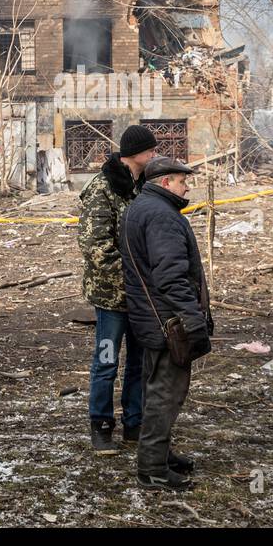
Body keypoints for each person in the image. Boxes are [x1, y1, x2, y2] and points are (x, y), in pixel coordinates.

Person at [120, 157, 213, 491]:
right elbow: (171, 277)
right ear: (164, 183)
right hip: (168, 322)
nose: (187, 186)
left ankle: (159, 453)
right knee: (166, 394)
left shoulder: (140, 207)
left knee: (155, 388)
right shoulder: (161, 216)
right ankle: (153, 470)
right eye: (181, 181)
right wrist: (192, 319)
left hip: (149, 318)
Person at [78, 125, 157, 454]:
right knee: (107, 361)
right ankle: (101, 426)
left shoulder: (145, 187)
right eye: (150, 149)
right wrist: (131, 280)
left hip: (142, 297)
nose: (154, 154)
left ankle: (134, 425)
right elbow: (95, 245)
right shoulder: (102, 187)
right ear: (134, 153)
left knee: (139, 363)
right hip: (112, 297)